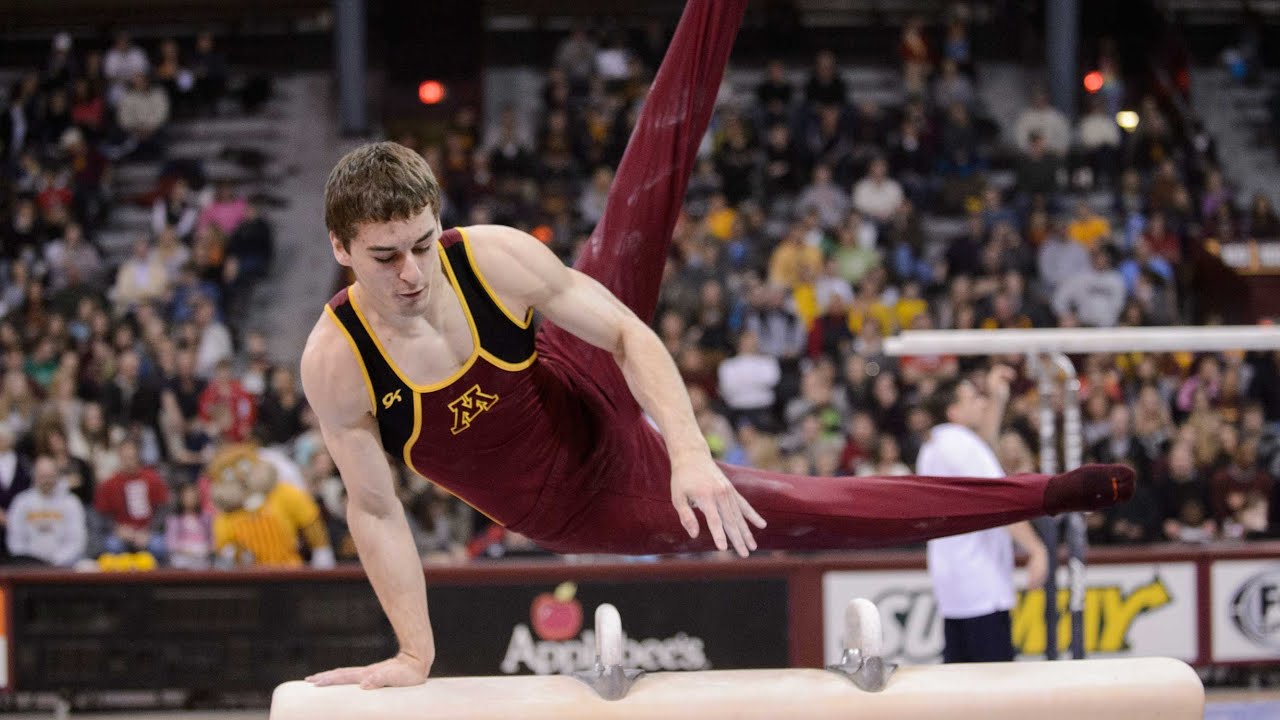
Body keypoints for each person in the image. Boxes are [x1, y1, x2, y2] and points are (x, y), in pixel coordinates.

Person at [301, 2, 1132, 689]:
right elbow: (374, 508)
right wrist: (415, 653)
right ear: (342, 248)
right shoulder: (338, 365)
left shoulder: (486, 257)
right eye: (386, 257)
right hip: (588, 499)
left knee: (643, 188)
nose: (414, 272)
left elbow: (627, 332)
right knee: (803, 510)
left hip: (581, 376)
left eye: (423, 242)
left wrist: (690, 454)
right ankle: (1044, 494)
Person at [918, 369, 1049, 663]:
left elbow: (983, 445)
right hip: (980, 583)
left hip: (955, 583)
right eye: (972, 398)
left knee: (963, 684)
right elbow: (1000, 503)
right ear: (953, 411)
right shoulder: (961, 446)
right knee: (994, 687)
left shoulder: (936, 445)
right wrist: (1036, 549)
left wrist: (998, 398)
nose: (981, 403)